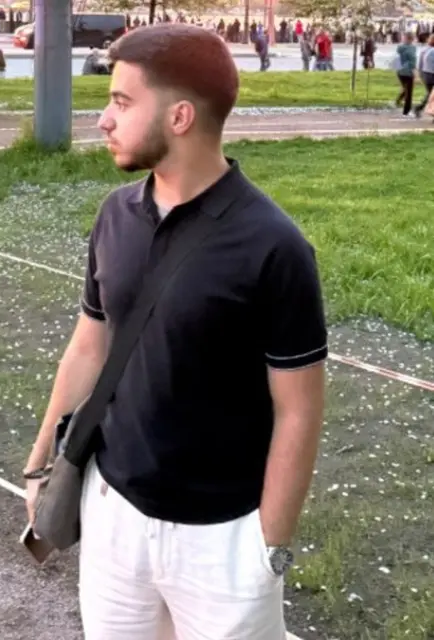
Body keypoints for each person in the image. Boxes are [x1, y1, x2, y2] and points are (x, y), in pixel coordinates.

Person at [24, 24, 327, 640]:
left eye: (122, 101)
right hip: (112, 515)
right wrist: (40, 464)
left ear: (181, 116)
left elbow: (299, 409)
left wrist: (269, 546)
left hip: (223, 539)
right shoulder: (115, 214)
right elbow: (89, 344)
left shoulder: (274, 247)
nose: (104, 120)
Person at [395, 32, 417, 116]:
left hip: (400, 71)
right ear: (411, 39)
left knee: (406, 88)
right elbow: (413, 61)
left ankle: (398, 100)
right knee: (409, 92)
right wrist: (415, 72)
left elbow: (396, 58)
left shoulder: (400, 47)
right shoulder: (412, 48)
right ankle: (406, 111)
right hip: (408, 71)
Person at [415, 34, 434, 118]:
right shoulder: (431, 51)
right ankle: (419, 108)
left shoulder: (424, 50)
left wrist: (420, 75)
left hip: (425, 74)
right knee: (431, 95)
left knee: (430, 94)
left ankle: (419, 108)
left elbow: (420, 64)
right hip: (431, 74)